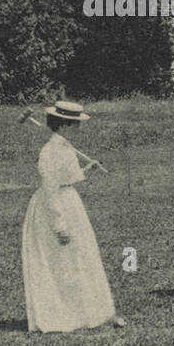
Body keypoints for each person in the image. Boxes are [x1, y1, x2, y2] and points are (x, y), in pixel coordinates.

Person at [21, 101, 125, 332]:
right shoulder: (49, 152)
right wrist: (59, 226)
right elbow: (51, 189)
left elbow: (67, 176)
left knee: (81, 258)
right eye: (75, 124)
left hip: (70, 203)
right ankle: (62, 316)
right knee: (62, 262)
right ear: (65, 125)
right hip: (55, 207)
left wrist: (88, 169)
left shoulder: (64, 147)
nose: (78, 128)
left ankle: (92, 312)